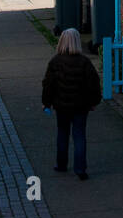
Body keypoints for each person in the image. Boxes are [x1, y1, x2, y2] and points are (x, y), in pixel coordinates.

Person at [41, 29, 102, 180]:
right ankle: (80, 168)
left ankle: (61, 164)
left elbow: (48, 85)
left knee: (62, 133)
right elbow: (94, 84)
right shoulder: (84, 62)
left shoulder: (55, 62)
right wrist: (94, 102)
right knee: (79, 135)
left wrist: (46, 103)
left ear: (62, 41)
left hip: (61, 106)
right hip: (81, 106)